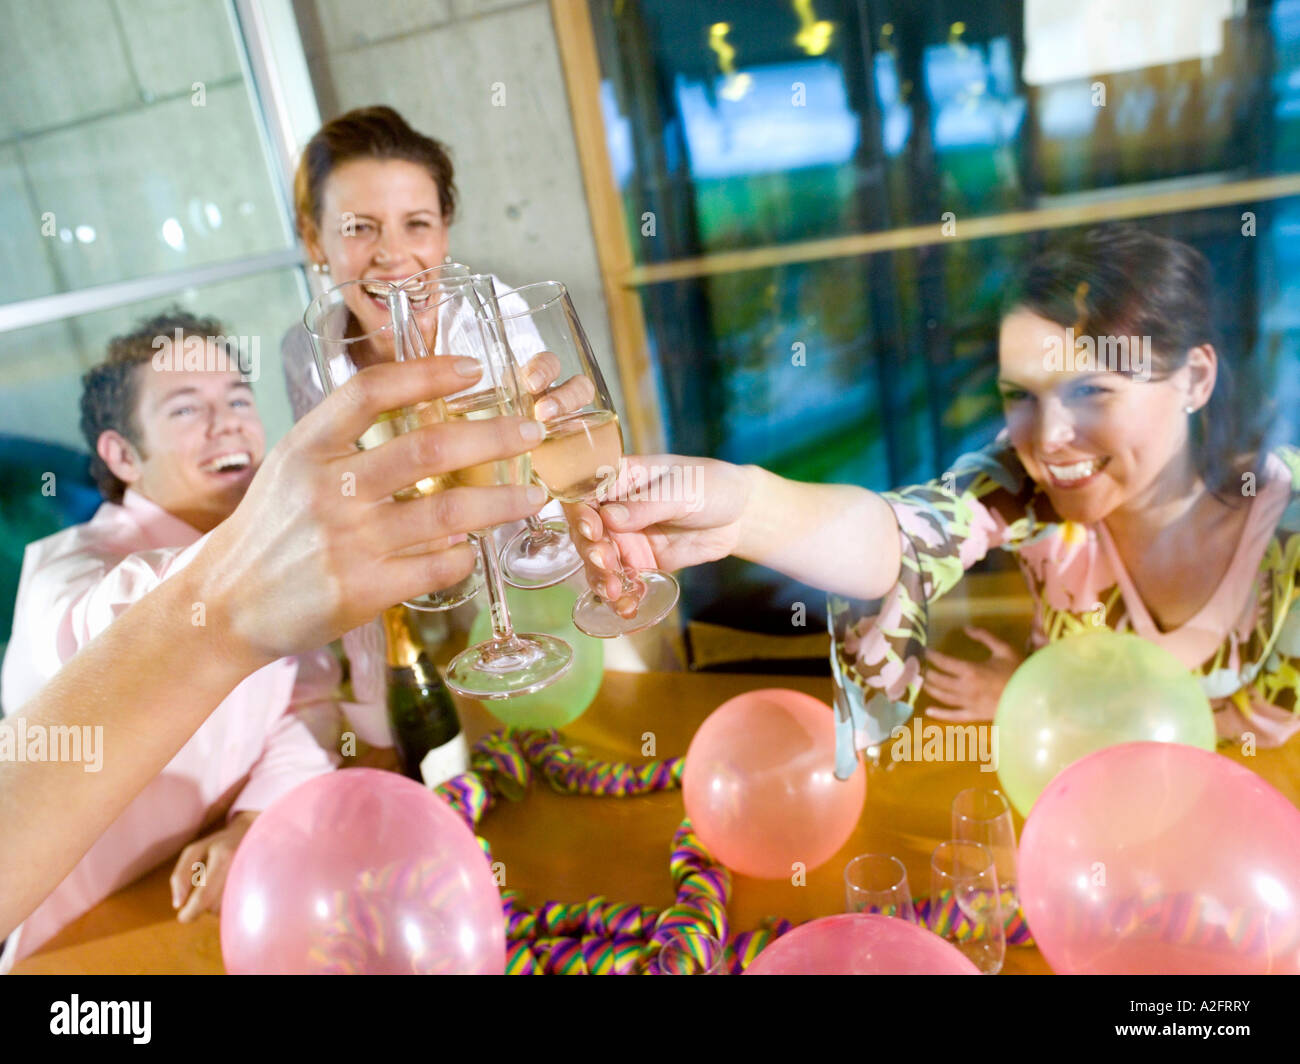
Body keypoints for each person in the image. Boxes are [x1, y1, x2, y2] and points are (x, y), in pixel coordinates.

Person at [565, 226, 1300, 776]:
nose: (1049, 437)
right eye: (1022, 396)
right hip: (1070, 838)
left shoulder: (1289, 526)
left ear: (1196, 379)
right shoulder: (1022, 488)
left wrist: (1036, 699)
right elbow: (896, 534)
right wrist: (744, 505)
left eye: (1093, 390)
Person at [0, 349, 546, 946]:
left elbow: (302, 711)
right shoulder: (68, 569)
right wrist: (259, 561)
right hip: (76, 949)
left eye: (238, 399)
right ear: (121, 455)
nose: (227, 422)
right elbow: (89, 640)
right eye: (187, 408)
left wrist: (253, 822)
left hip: (215, 919)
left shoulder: (266, 580)